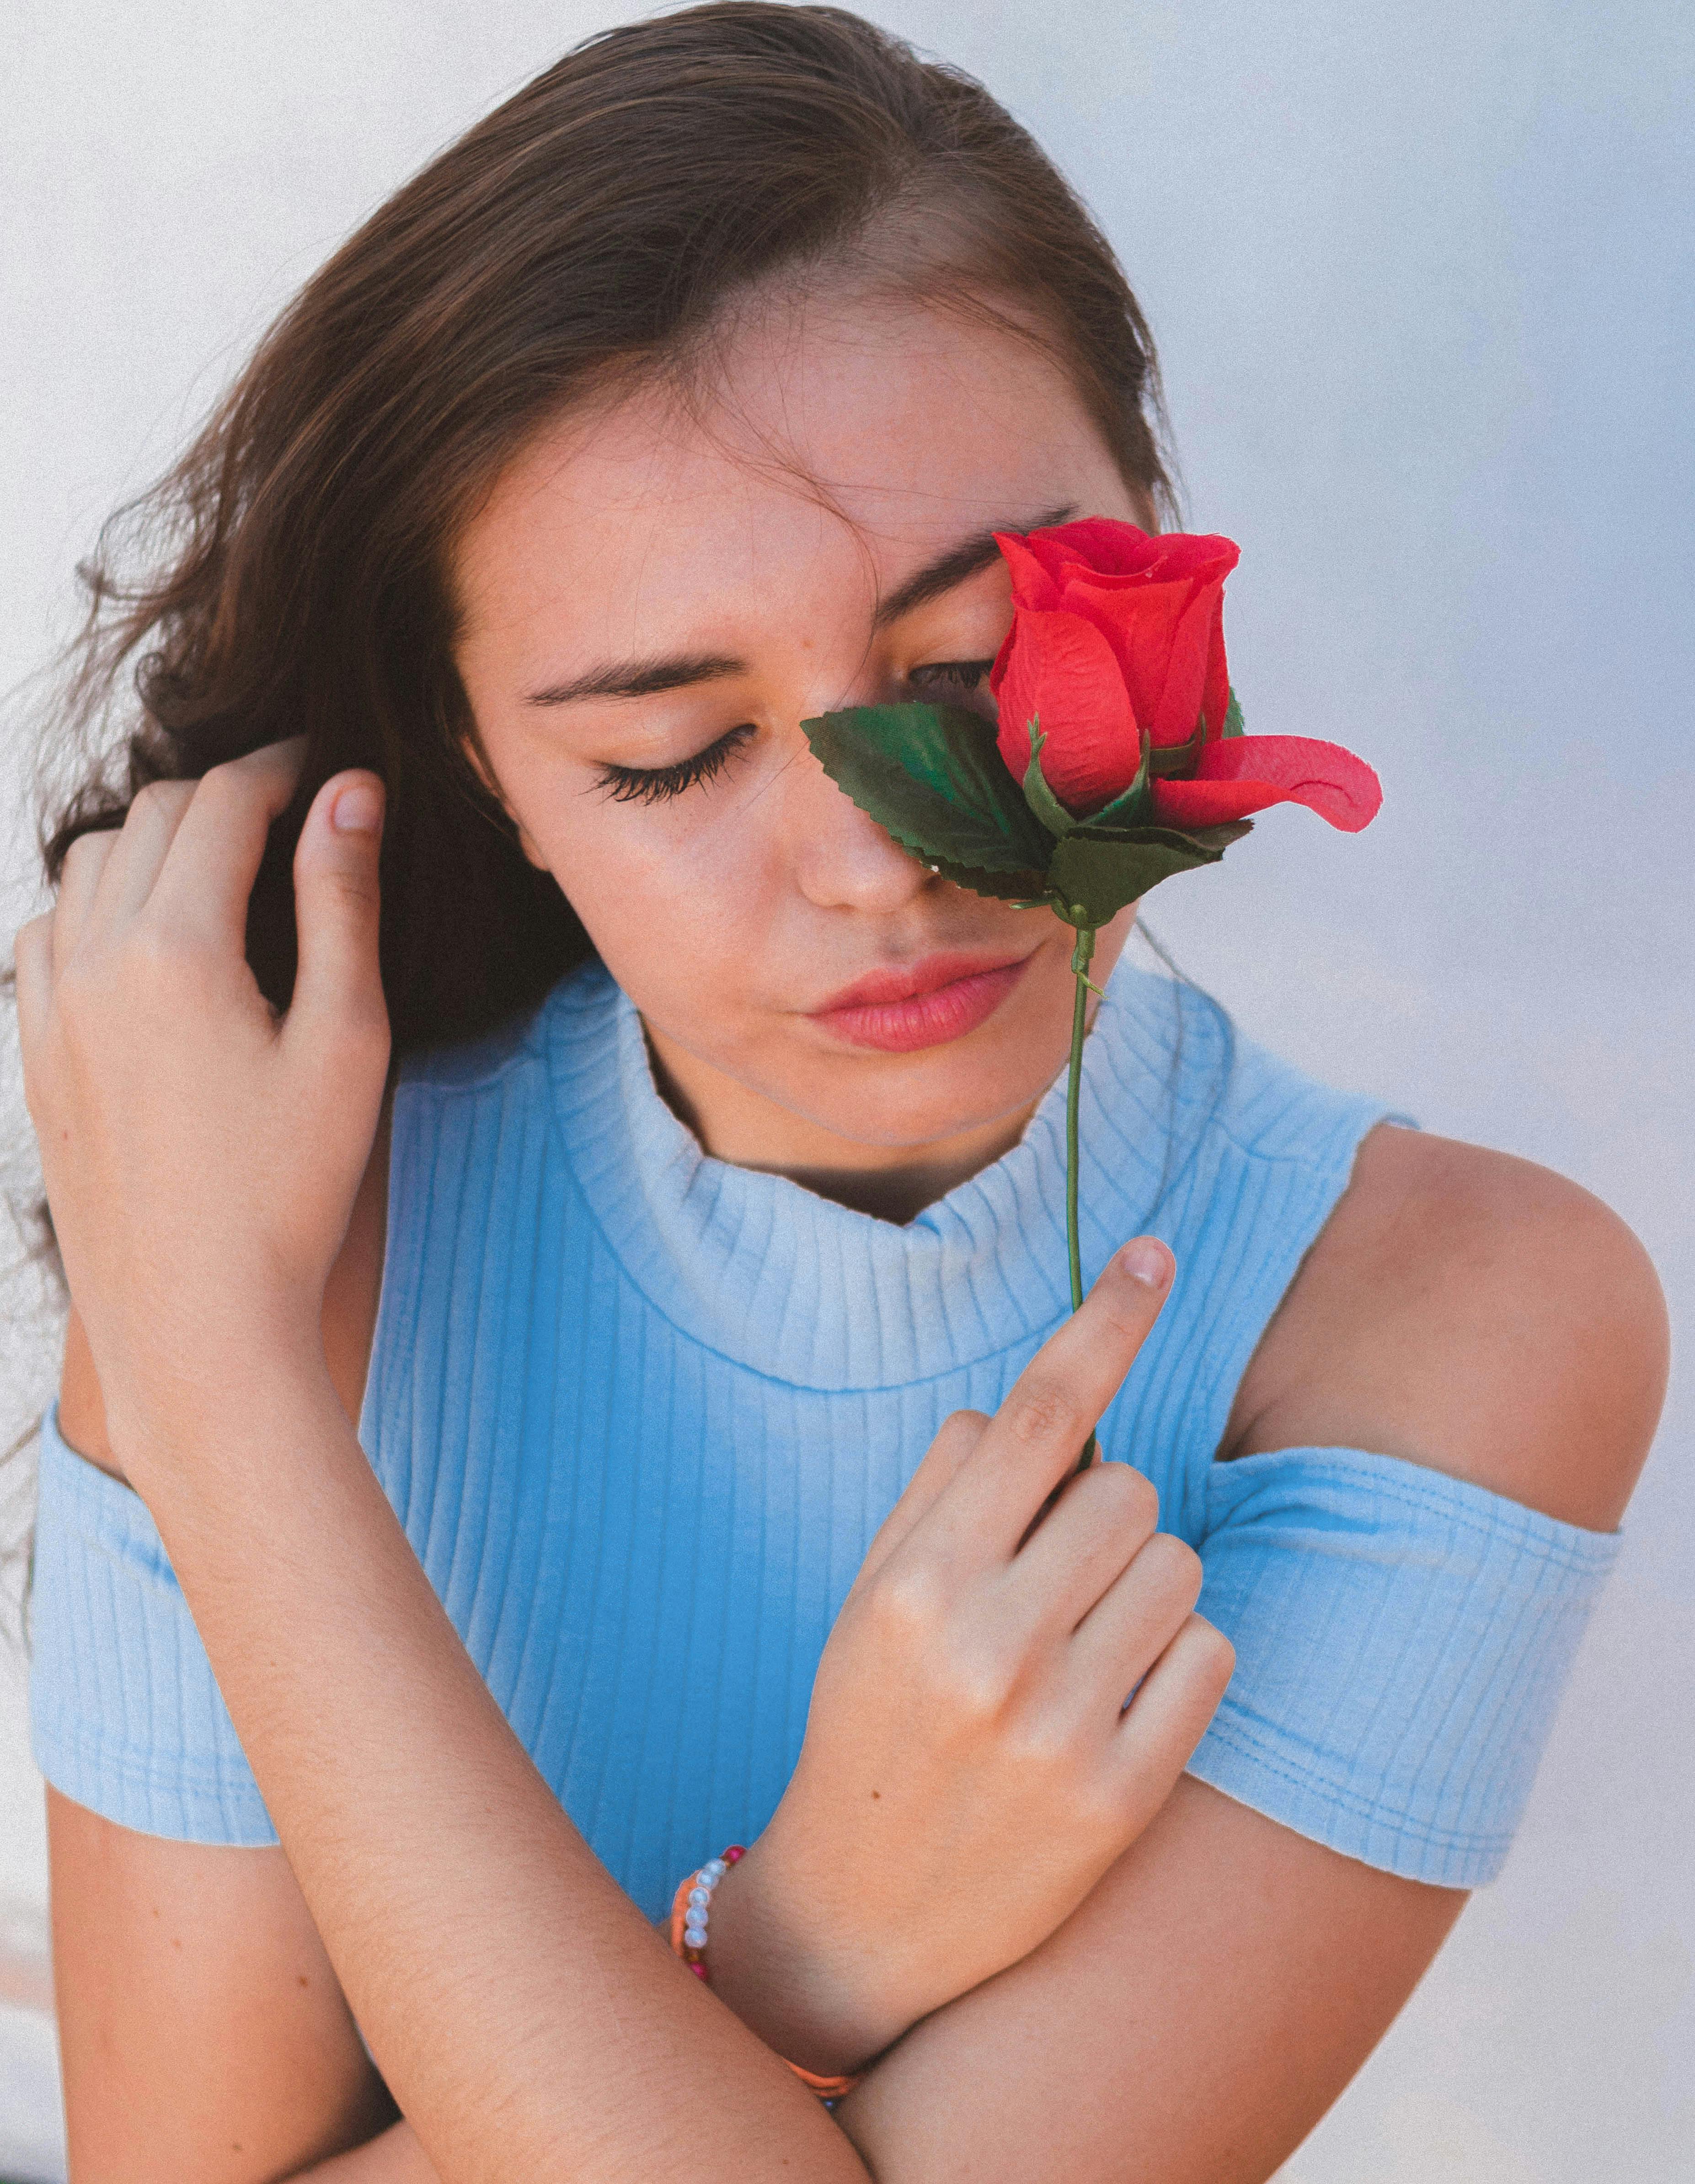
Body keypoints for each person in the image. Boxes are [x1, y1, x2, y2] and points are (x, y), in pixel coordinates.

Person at [15, 7, 1667, 2180]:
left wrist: (215, 1382)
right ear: (486, 769)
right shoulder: (287, 1260)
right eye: (673, 753)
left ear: (1158, 547)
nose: (884, 864)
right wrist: (799, 1954)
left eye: (968, 671)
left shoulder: (1454, 1324)